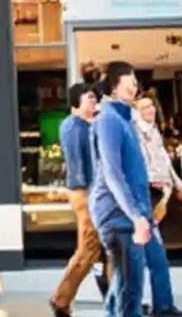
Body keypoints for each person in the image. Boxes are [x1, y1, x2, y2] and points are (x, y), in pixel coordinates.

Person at [91, 61, 182, 317]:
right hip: (119, 216)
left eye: (136, 83)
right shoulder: (110, 120)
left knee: (125, 283)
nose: (134, 88)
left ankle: (162, 306)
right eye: (129, 84)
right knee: (131, 288)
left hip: (133, 212)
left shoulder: (124, 120)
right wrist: (135, 216)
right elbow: (113, 172)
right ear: (113, 87)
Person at [51, 82, 109, 317]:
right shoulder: (74, 127)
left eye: (95, 99)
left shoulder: (86, 125)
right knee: (89, 248)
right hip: (86, 192)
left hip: (91, 191)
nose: (94, 102)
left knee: (104, 248)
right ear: (76, 102)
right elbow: (79, 165)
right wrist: (91, 192)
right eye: (89, 98)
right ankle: (61, 299)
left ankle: (116, 297)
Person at [133, 97, 182, 227]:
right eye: (145, 107)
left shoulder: (154, 131)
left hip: (163, 187)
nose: (151, 109)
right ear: (137, 112)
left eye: (151, 105)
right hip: (150, 189)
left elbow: (166, 165)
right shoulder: (135, 133)